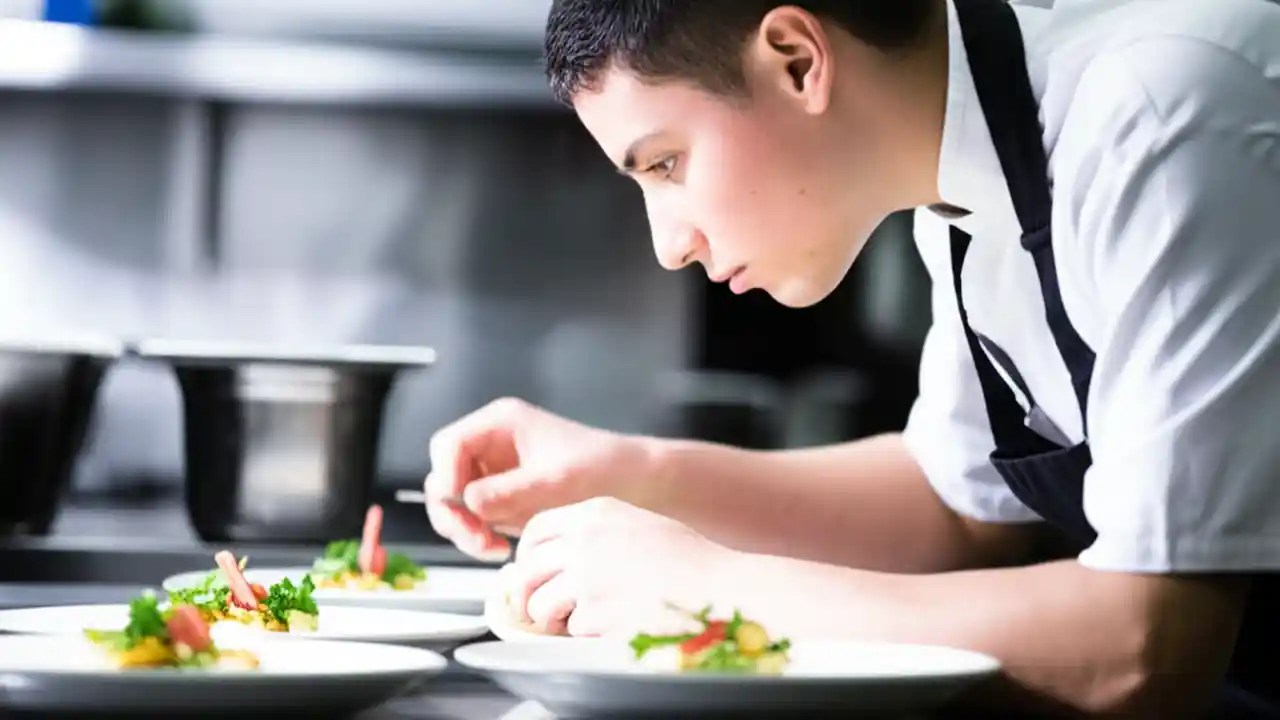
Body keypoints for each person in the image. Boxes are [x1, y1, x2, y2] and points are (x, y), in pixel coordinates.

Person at [423, 0, 1280, 715]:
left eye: (667, 164)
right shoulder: (957, 190)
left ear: (797, 61)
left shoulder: (1158, 117)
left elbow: (1148, 645)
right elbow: (956, 515)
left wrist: (708, 590)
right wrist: (632, 473)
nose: (668, 245)